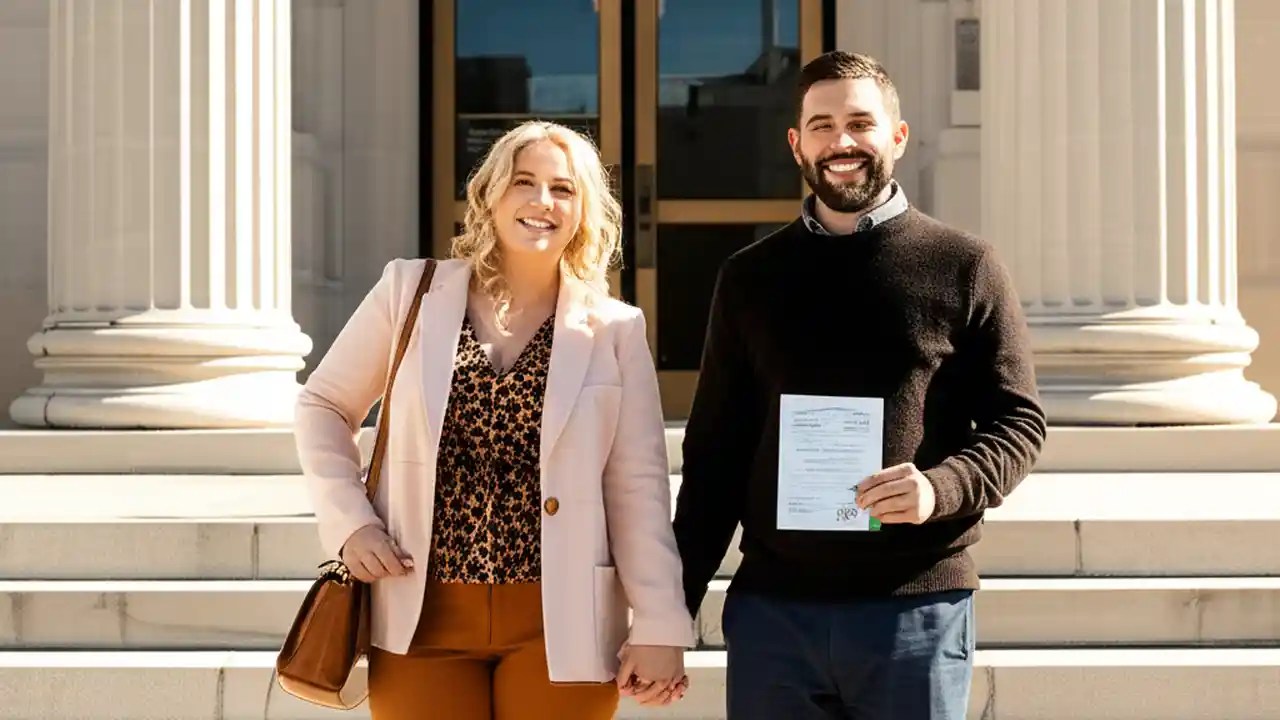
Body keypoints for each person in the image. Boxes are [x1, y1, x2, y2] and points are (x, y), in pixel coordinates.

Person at [673, 51, 1048, 720]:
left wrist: (939, 488)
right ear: (796, 144)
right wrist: (673, 608)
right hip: (774, 616)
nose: (841, 142)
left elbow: (1018, 424)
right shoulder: (750, 278)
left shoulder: (966, 265)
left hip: (914, 609)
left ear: (897, 137)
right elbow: (714, 459)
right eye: (821, 126)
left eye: (860, 123)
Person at [295, 120, 694, 720]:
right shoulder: (409, 292)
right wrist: (350, 524)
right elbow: (323, 405)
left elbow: (637, 488)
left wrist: (660, 622)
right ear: (489, 195)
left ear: (584, 210)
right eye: (523, 182)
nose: (542, 201)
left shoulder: (615, 329)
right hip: (419, 619)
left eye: (563, 188)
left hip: (561, 626)